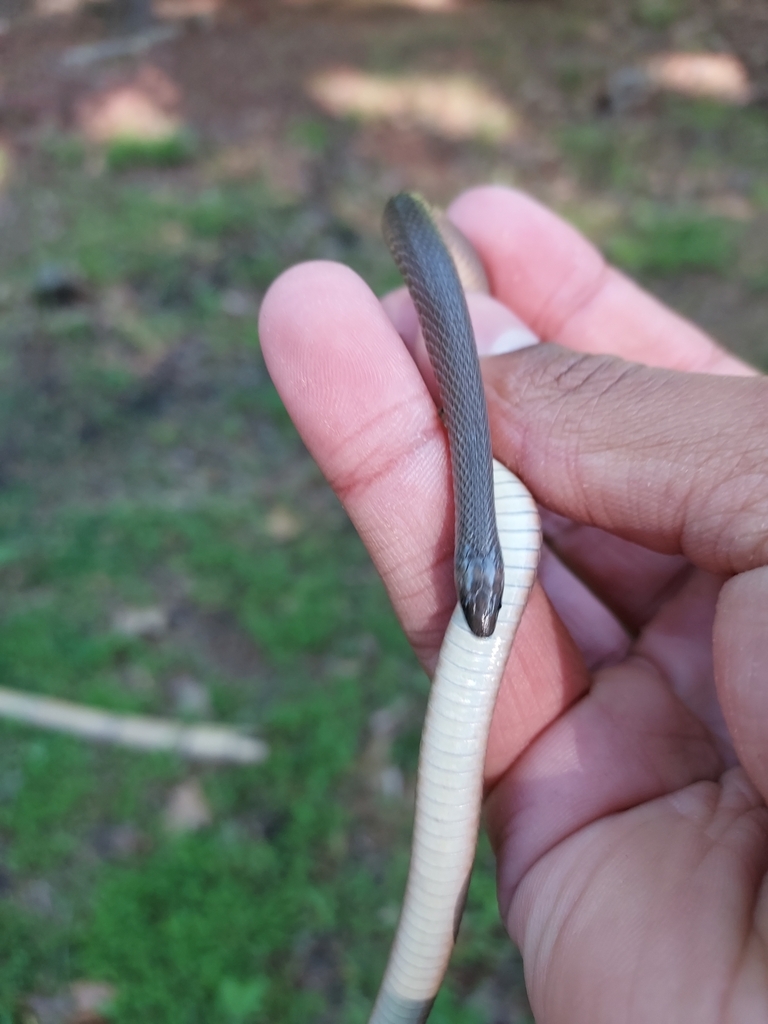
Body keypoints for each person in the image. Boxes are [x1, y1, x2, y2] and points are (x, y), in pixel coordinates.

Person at [259, 186, 768, 1023]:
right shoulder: (487, 535)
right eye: (478, 589)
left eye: (481, 589)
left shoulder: (492, 529)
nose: (481, 609)